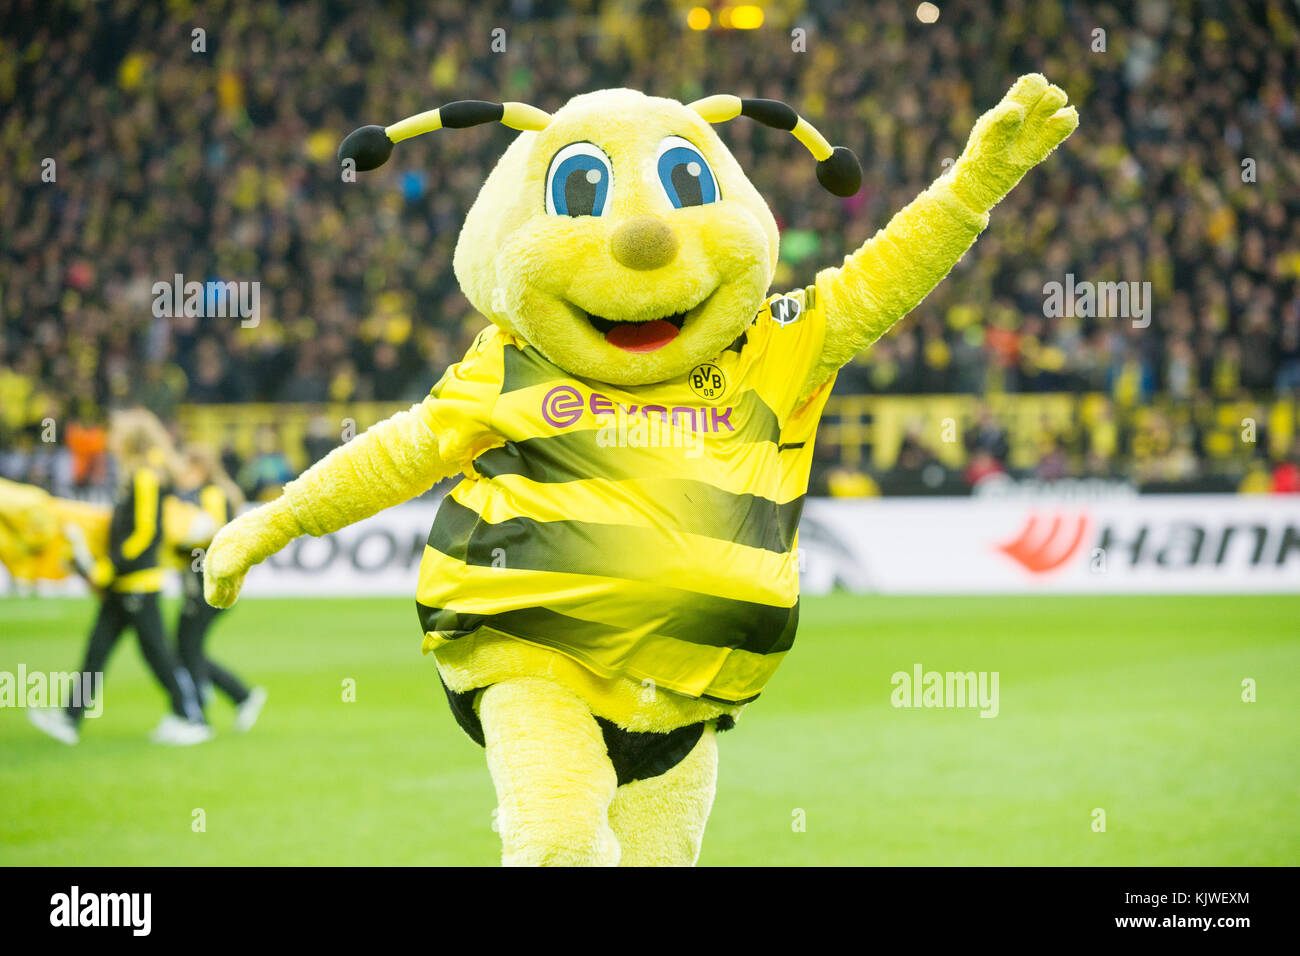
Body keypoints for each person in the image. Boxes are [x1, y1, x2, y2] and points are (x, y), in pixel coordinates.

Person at [28, 409, 211, 745]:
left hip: (137, 585)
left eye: (116, 434)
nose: (110, 440)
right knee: (98, 652)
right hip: (125, 585)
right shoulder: (139, 474)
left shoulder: (146, 475)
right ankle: (70, 719)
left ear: (131, 438)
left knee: (157, 654)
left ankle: (192, 717)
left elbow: (144, 533)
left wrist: (109, 567)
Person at [173, 445, 266, 730]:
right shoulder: (209, 493)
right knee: (187, 647)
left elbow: (214, 531)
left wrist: (182, 540)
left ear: (199, 469)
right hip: (205, 583)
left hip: (209, 585)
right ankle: (238, 695)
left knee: (185, 646)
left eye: (187, 469)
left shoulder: (211, 494)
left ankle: (202, 702)